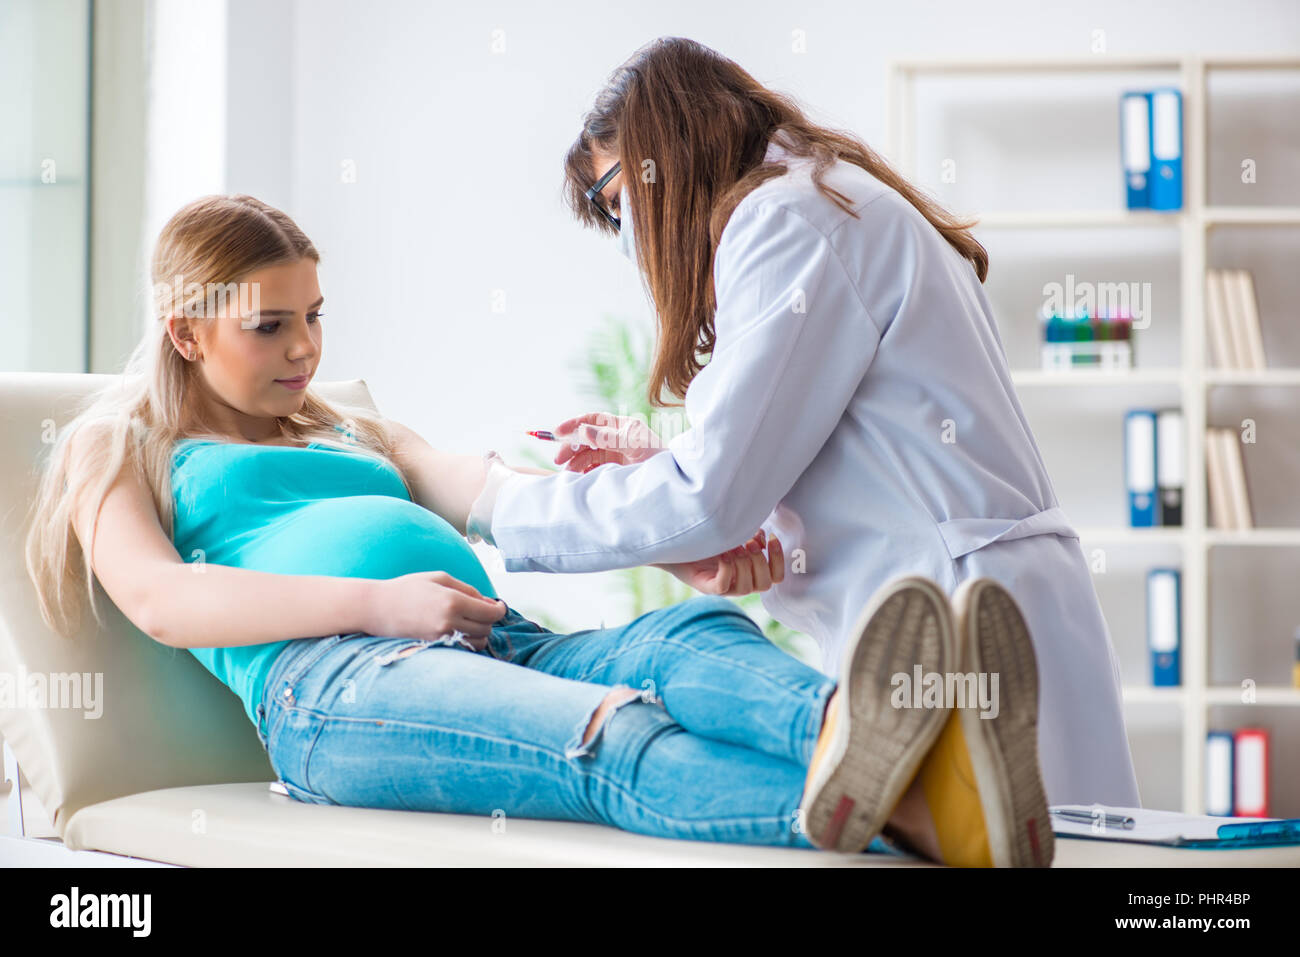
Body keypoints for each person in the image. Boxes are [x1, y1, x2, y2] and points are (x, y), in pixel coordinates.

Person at [23, 194, 1049, 865]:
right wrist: (378, 604)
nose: (306, 348)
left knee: (681, 642)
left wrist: (676, 522)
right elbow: (162, 602)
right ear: (185, 330)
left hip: (499, 638)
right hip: (336, 688)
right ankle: (925, 814)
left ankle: (862, 738)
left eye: (316, 315)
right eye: (271, 324)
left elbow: (481, 483)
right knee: (609, 732)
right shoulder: (122, 442)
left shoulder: (343, 426)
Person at [466, 37, 1141, 812]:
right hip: (975, 605)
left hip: (960, 622)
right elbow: (839, 460)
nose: (625, 236)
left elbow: (708, 497)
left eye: (616, 199)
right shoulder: (823, 199)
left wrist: (498, 501)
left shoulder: (787, 220)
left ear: (667, 150)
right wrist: (749, 535)